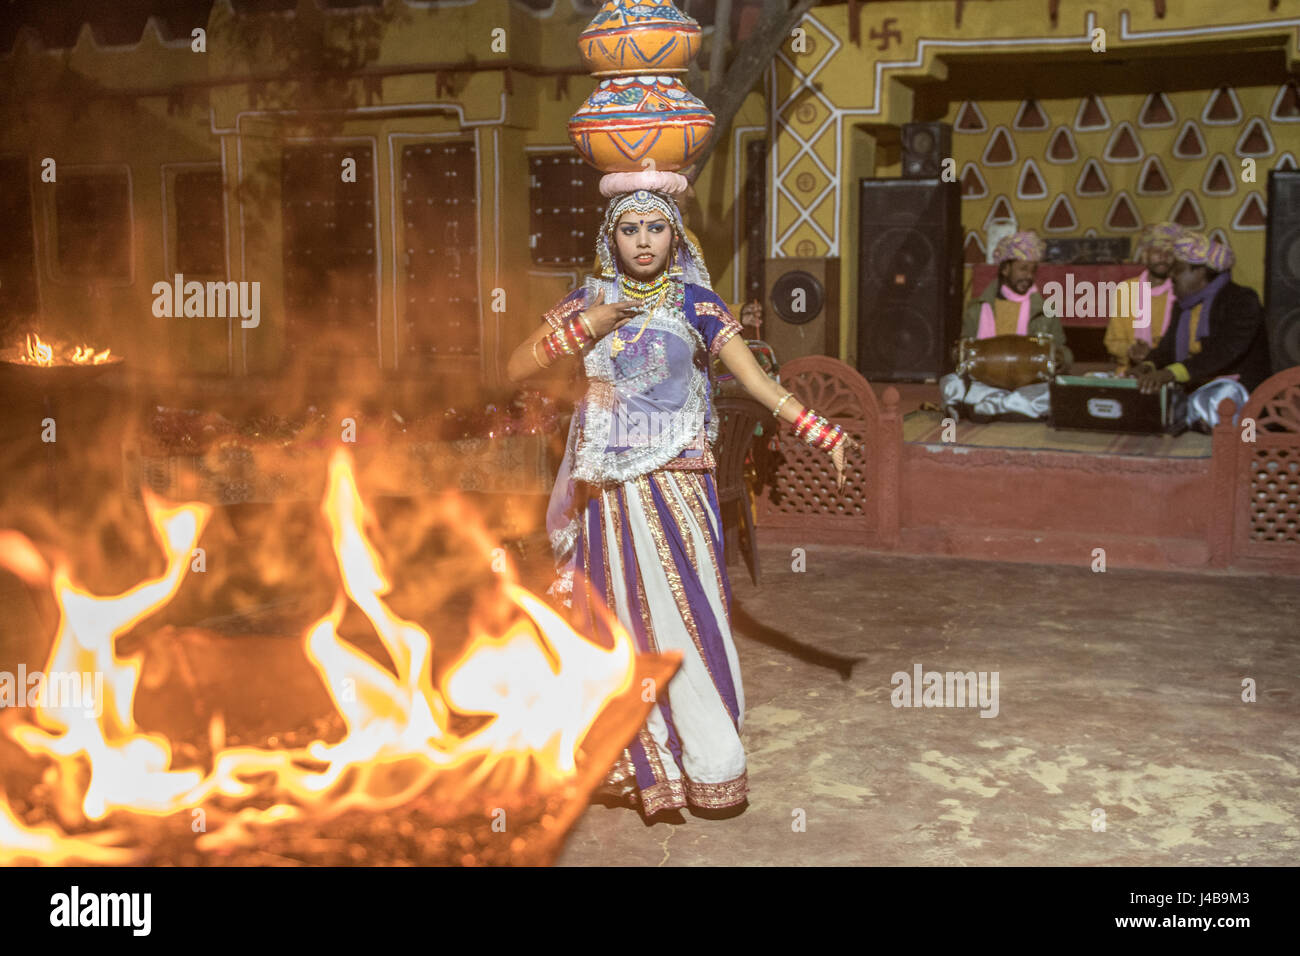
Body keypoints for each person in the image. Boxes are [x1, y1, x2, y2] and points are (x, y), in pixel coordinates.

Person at [506, 184, 852, 819]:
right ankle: (639, 762)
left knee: (688, 618)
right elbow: (514, 366)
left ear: (675, 237)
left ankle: (712, 763)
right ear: (612, 237)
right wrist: (584, 329)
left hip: (676, 484)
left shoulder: (696, 303)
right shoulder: (590, 301)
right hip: (607, 493)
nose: (642, 241)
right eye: (629, 229)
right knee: (618, 624)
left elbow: (755, 379)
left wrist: (819, 428)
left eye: (655, 229)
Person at [1131, 231, 1271, 430]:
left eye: (1178, 270)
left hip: (1239, 400)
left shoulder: (1241, 300)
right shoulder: (1183, 305)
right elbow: (1167, 349)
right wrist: (1148, 365)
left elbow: (1223, 352)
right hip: (1194, 390)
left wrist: (1170, 374)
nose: (1171, 277)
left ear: (1200, 273)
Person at [940, 230, 1071, 421]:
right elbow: (965, 346)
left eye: (1033, 270)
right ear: (1005, 269)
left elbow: (1062, 349)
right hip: (985, 381)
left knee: (1057, 389)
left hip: (1028, 383)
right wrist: (959, 354)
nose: (1029, 276)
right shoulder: (978, 308)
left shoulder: (1044, 309)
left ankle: (985, 408)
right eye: (1023, 269)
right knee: (950, 382)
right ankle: (1006, 408)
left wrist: (1061, 358)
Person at [1103, 222, 1181, 373]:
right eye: (1157, 251)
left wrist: (1154, 354)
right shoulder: (1126, 290)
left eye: (1169, 253)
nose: (1163, 257)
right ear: (1145, 254)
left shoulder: (1183, 292)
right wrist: (1131, 350)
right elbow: (1112, 342)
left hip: (1170, 373)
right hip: (1130, 373)